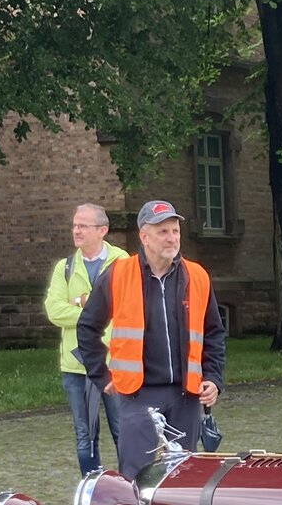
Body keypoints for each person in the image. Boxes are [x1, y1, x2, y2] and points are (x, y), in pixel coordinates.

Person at [77, 199, 225, 476]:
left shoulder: (197, 276)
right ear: (144, 237)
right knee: (137, 475)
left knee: (184, 477)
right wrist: (101, 375)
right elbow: (87, 327)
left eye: (175, 231)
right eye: (163, 232)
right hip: (138, 395)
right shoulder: (119, 274)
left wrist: (214, 378)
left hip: (187, 395)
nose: (171, 238)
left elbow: (214, 332)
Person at [43, 203, 128, 475]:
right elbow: (54, 310)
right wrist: (96, 310)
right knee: (85, 437)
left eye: (83, 226)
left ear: (102, 230)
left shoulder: (122, 262)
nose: (76, 231)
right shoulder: (64, 267)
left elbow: (126, 305)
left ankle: (133, 491)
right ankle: (93, 494)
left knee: (125, 432)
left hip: (116, 365)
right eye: (74, 225)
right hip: (76, 366)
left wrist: (79, 303)